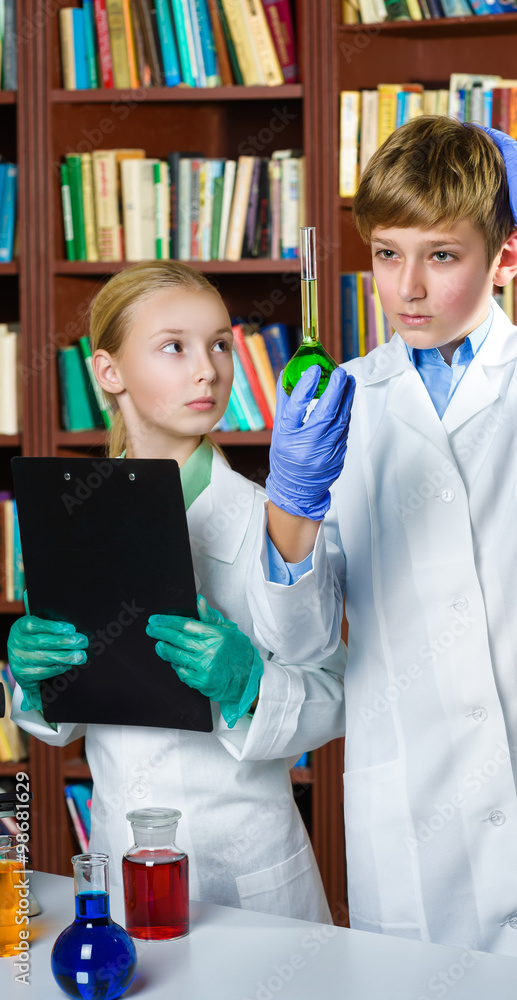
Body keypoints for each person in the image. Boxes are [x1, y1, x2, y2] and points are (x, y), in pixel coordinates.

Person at [246, 116, 517, 990]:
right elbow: (301, 645)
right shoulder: (342, 399)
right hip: (425, 818)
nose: (406, 288)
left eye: (441, 256)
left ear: (507, 258)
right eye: (388, 253)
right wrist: (291, 507)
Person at [8, 260, 345, 921]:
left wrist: (249, 684)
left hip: (248, 875)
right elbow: (61, 720)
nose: (210, 369)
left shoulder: (277, 517)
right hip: (119, 854)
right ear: (109, 372)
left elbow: (333, 695)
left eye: (221, 343)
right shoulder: (72, 515)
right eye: (175, 346)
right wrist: (34, 675)